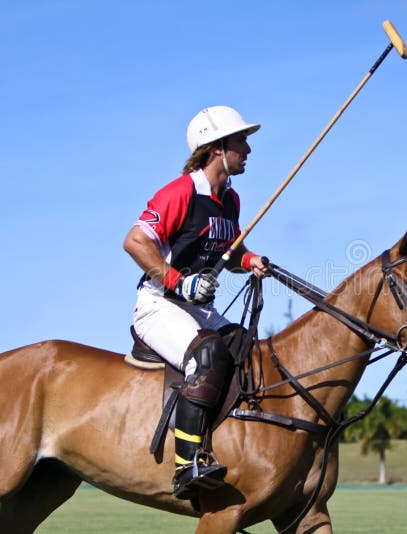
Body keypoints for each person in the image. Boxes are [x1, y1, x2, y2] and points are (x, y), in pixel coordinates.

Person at [123, 105, 269, 499]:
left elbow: (230, 251)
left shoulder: (230, 201)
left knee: (249, 351)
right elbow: (135, 242)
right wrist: (178, 282)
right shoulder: (180, 192)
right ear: (216, 148)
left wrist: (250, 260)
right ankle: (187, 464)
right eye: (241, 141)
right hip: (159, 303)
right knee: (207, 356)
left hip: (197, 308)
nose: (248, 150)